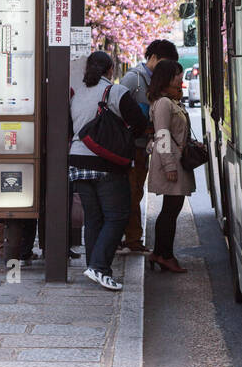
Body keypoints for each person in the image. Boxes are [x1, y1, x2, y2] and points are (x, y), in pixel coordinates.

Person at [70, 51, 148, 291]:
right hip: (107, 162)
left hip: (78, 161)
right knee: (117, 216)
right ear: (110, 70)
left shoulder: (77, 94)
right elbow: (140, 124)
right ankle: (99, 268)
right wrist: (123, 139)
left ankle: (95, 266)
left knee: (93, 218)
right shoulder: (115, 92)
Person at [119, 39, 178, 253]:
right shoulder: (133, 79)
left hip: (143, 146)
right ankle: (131, 239)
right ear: (152, 57)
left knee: (137, 193)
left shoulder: (155, 79)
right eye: (164, 62)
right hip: (131, 147)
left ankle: (131, 237)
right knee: (132, 193)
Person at [146, 60, 194, 273]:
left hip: (176, 159)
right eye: (177, 75)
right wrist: (169, 166)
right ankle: (164, 255)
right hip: (170, 161)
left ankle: (161, 253)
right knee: (170, 210)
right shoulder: (164, 103)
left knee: (171, 210)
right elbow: (162, 134)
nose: (180, 78)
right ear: (166, 78)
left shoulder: (171, 101)